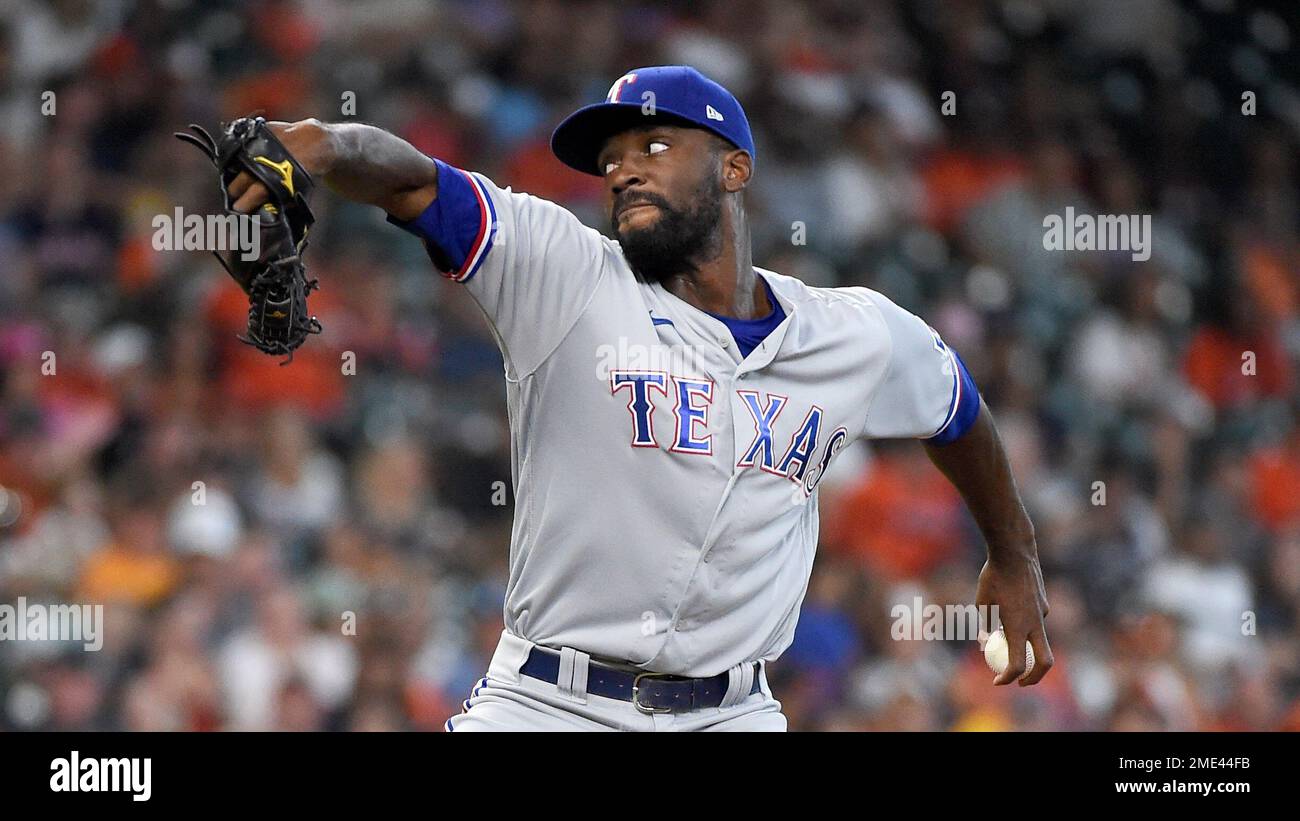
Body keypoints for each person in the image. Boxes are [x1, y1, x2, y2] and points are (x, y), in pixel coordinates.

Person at [221, 65, 1051, 731]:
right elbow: (413, 184)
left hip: (734, 709)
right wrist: (324, 146)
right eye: (611, 160)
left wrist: (1012, 552)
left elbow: (957, 409)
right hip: (548, 701)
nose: (622, 171)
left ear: (735, 167)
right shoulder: (568, 273)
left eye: (653, 145)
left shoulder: (851, 335)